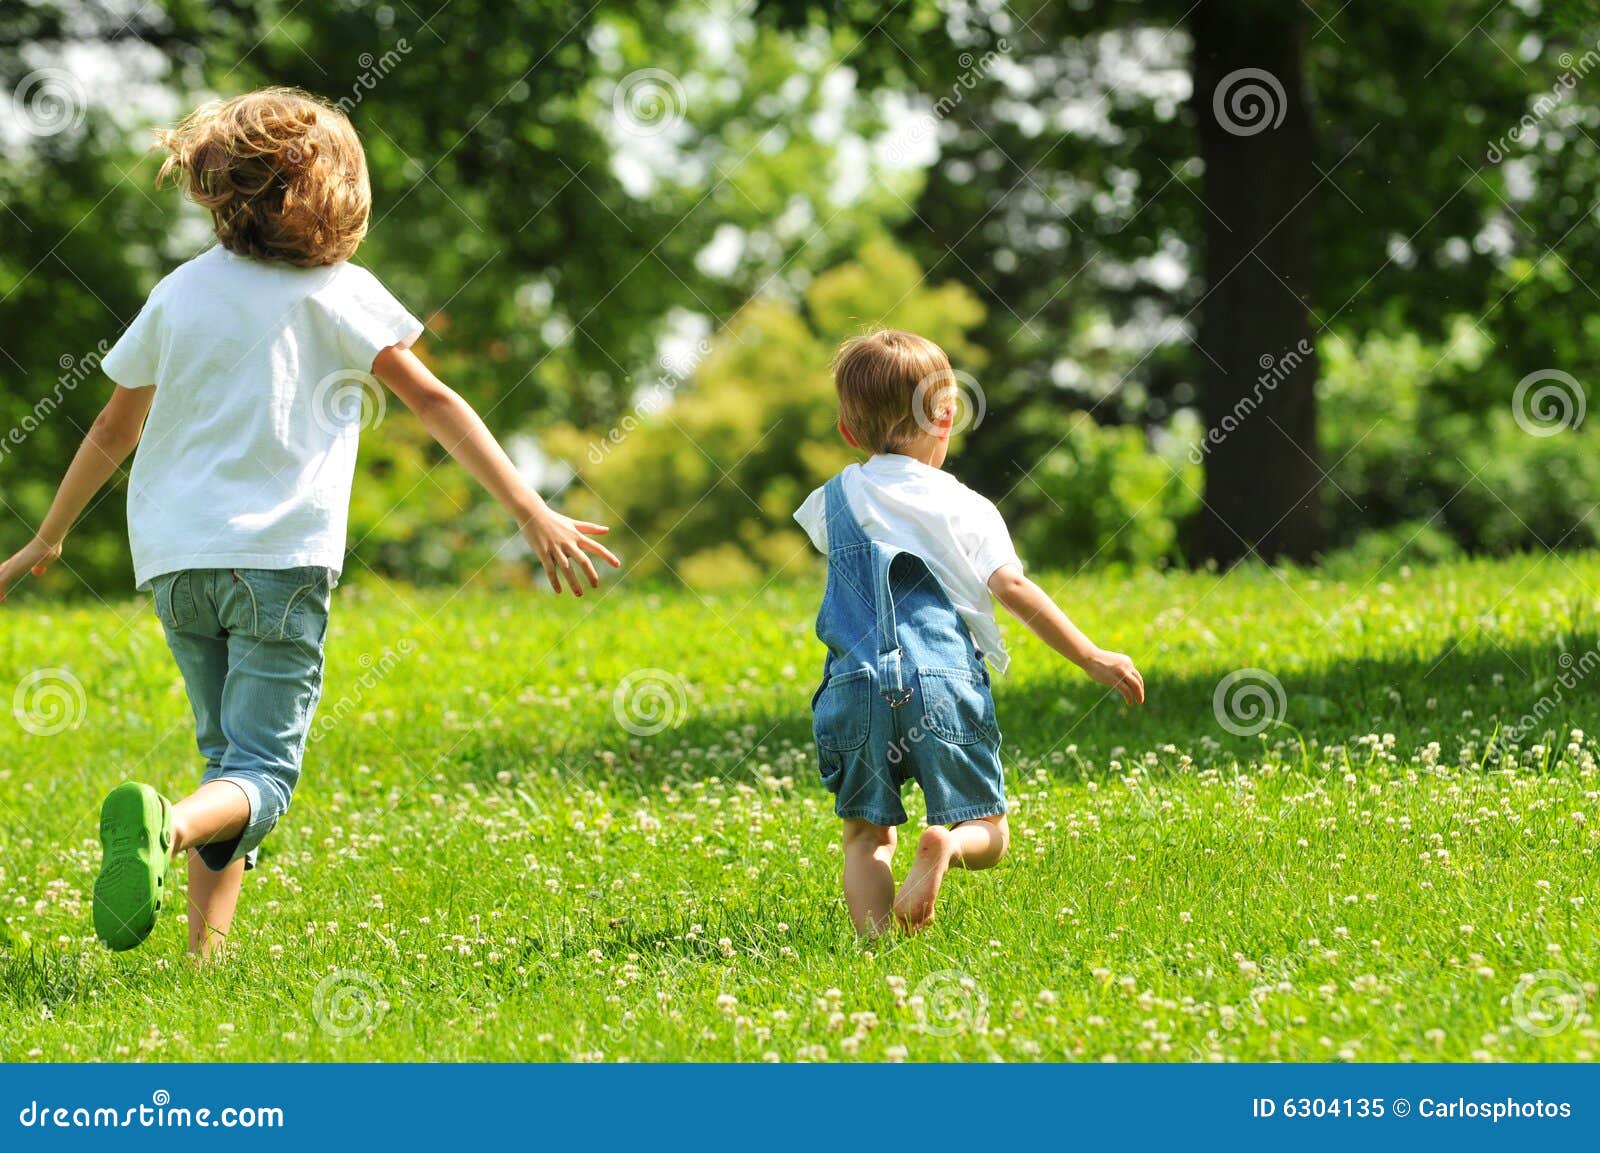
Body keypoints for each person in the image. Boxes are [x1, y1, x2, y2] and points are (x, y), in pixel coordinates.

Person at [0, 88, 619, 957]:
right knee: (261, 771)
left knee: (227, 760)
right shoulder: (339, 290)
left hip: (175, 565)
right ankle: (167, 824)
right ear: (333, 191)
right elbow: (435, 402)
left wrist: (49, 535)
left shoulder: (179, 291)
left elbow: (112, 427)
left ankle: (204, 959)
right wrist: (530, 507)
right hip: (278, 564)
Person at [794, 329, 1146, 936]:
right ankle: (949, 845)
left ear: (848, 433)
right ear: (946, 417)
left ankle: (876, 949)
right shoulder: (968, 506)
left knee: (865, 836)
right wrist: (1091, 655)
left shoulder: (832, 499)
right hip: (944, 681)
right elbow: (1012, 588)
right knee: (988, 828)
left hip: (855, 686)